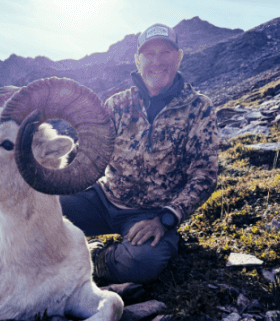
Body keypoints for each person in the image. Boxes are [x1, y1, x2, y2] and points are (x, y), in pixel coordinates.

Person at [60, 23, 219, 284]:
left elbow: (205, 174)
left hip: (150, 214)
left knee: (141, 262)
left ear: (178, 57)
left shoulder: (199, 109)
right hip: (103, 199)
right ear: (137, 60)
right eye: (149, 54)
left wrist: (166, 218)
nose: (157, 61)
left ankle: (97, 259)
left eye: (165, 53)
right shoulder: (116, 104)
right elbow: (87, 155)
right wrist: (49, 177)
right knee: (42, 211)